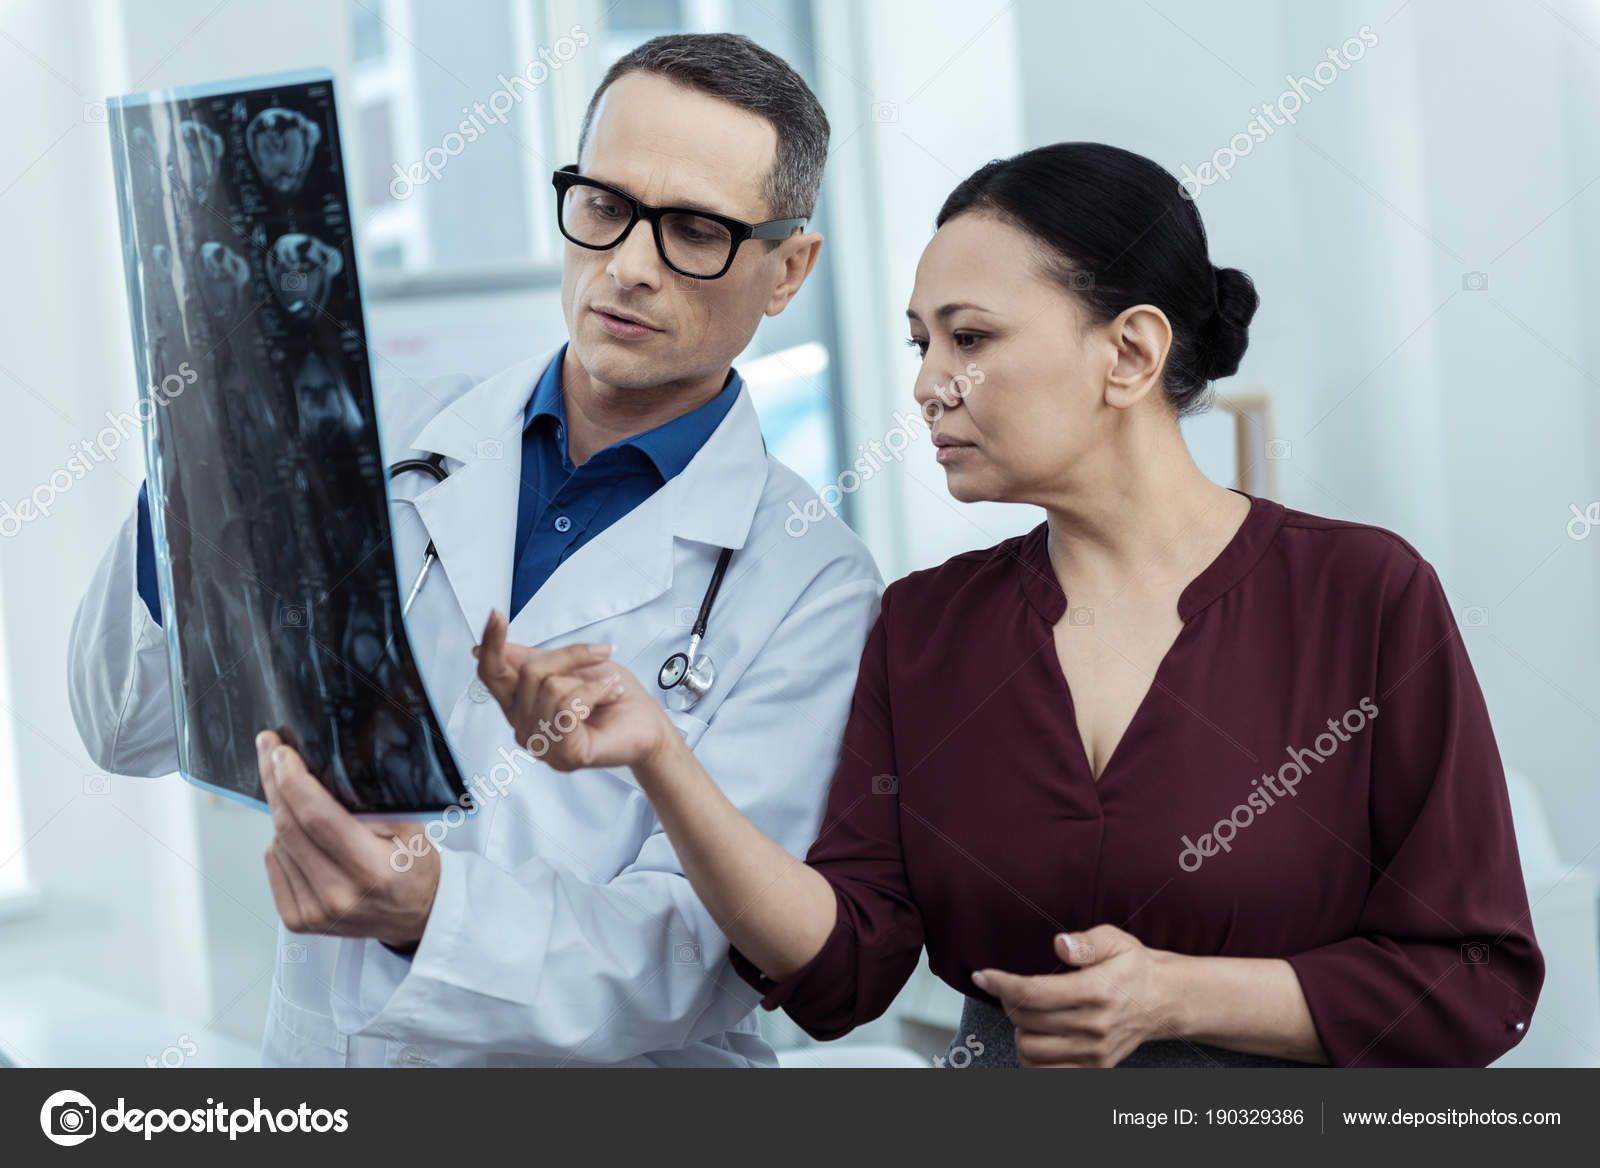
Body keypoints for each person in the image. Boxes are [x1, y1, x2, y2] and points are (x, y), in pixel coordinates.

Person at [469, 142, 1545, 1068]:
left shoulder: (1360, 596)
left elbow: (1473, 977)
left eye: (969, 339)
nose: (927, 383)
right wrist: (660, 757)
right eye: (918, 343)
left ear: (1129, 352)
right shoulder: (926, 627)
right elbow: (847, 964)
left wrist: (1178, 996)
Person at [67, 34, 883, 1067]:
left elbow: (697, 953)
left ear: (788, 269)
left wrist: (430, 910)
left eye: (694, 231)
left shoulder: (815, 582)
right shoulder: (375, 443)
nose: (628, 267)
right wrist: (200, 454)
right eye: (602, 205)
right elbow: (121, 721)